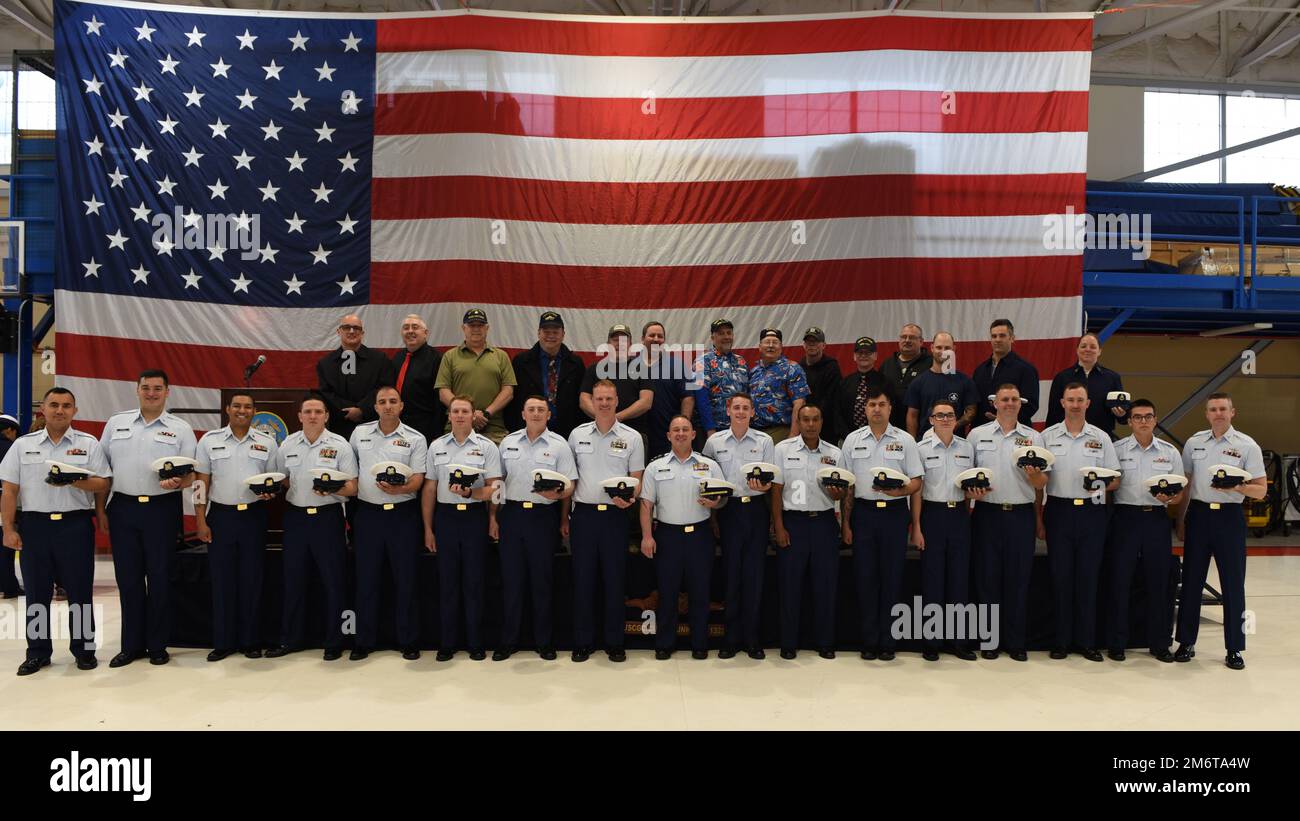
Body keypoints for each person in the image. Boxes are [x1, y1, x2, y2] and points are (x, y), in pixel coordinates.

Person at [0, 388, 111, 675]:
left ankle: (84, 650)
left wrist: (75, 482)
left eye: (66, 405)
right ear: (43, 410)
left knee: (80, 592)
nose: (59, 410)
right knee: (36, 594)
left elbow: (103, 484)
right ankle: (37, 652)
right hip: (35, 526)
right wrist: (8, 528)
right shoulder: (23, 445)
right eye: (54, 405)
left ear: (75, 410)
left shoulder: (89, 444)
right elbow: (10, 490)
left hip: (74, 526)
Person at [97, 369, 197, 668]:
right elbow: (103, 472)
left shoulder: (180, 429)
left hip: (162, 511)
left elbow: (191, 474)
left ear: (168, 392)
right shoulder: (117, 423)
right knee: (127, 581)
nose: (151, 393)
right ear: (137, 390)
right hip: (123, 509)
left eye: (157, 388)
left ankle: (157, 645)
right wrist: (101, 510)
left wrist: (179, 482)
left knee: (159, 578)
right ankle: (130, 645)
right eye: (146, 388)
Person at [1174, 393, 1266, 670]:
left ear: (1232, 412)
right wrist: (1181, 519)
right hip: (1199, 516)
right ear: (1207, 413)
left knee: (1233, 585)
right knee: (1191, 582)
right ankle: (1186, 642)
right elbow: (1186, 485)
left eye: (1223, 409)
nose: (1218, 413)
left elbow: (1260, 490)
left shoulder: (1247, 446)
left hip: (1229, 518)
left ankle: (1235, 648)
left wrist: (1237, 488)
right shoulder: (1194, 443)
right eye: (1213, 409)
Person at [266, 395, 358, 661]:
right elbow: (282, 480)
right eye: (308, 411)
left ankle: (334, 641)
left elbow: (353, 487)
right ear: (300, 416)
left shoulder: (340, 445)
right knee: (293, 580)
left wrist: (333, 488)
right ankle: (290, 639)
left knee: (333, 581)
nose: (313, 416)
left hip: (327, 518)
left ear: (327, 416)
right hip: (295, 519)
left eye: (318, 411)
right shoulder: (287, 444)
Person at [834, 386, 922, 661]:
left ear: (889, 408)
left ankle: (888, 641)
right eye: (872, 404)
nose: (876, 409)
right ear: (866, 408)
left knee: (892, 578)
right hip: (863, 514)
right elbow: (846, 485)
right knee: (866, 578)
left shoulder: (906, 440)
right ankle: (870, 640)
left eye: (881, 404)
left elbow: (917, 481)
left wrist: (902, 491)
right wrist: (846, 523)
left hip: (895, 515)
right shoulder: (852, 440)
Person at [194, 392, 280, 661]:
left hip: (253, 517)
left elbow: (274, 480)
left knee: (252, 580)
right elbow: (200, 483)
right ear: (228, 409)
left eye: (248, 407)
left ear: (254, 411)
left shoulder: (267, 442)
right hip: (220, 517)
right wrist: (200, 519)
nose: (242, 410)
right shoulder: (210, 441)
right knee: (222, 581)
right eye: (237, 406)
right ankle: (223, 641)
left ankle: (251, 641)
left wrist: (271, 492)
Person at [1040, 383, 1120, 662]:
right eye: (1070, 399)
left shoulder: (1102, 437)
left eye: (1080, 400)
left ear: (1088, 403)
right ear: (1062, 402)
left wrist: (1099, 485)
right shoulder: (1047, 437)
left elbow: (1116, 478)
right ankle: (1061, 641)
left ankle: (1087, 642)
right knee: (1060, 578)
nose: (1075, 404)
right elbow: (1040, 480)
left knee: (1088, 578)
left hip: (1093, 512)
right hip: (1059, 512)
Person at [567, 379, 645, 663]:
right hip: (584, 517)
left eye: (608, 399)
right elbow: (570, 479)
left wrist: (630, 498)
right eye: (598, 398)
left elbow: (637, 479)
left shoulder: (632, 437)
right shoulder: (576, 435)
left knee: (614, 580)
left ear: (616, 401)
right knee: (584, 580)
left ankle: (614, 642)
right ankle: (583, 642)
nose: (603, 403)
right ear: (592, 402)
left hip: (616, 516)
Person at [968, 383, 1048, 661]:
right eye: (1005, 399)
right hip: (987, 515)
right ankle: (989, 640)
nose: (1010, 403)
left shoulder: (1034, 438)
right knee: (987, 579)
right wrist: (971, 492)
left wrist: (1035, 477)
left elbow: (1041, 483)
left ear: (1020, 404)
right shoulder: (977, 435)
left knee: (1018, 580)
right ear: (995, 403)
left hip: (1021, 515)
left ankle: (1015, 642)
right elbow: (968, 477)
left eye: (1014, 399)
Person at [494, 396, 577, 661]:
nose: (537, 413)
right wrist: (492, 517)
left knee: (542, 581)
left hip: (544, 517)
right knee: (511, 581)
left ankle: (544, 642)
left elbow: (569, 486)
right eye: (531, 409)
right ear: (523, 413)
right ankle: (509, 641)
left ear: (549, 415)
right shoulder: (508, 442)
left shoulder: (559, 445)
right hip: (512, 516)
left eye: (541, 409)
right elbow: (498, 483)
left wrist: (564, 519)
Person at [349, 386, 427, 661]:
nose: (388, 406)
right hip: (368, 515)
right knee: (367, 579)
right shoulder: (359, 434)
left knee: (405, 579)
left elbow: (419, 478)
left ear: (402, 406)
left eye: (393, 401)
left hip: (403, 515)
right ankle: (364, 641)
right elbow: (350, 472)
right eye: (382, 402)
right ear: (375, 406)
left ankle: (408, 640)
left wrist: (401, 489)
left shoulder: (415, 438)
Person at [422, 395, 502, 662]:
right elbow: (430, 488)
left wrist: (487, 511)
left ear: (473, 415)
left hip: (474, 517)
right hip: (445, 519)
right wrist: (428, 528)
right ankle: (447, 643)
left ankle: (476, 642)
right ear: (449, 416)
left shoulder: (487, 446)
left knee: (474, 581)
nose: (459, 415)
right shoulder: (436, 446)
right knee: (447, 582)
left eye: (464, 411)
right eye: (455, 411)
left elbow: (496, 487)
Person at [640, 415, 726, 660]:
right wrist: (647, 536)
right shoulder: (655, 466)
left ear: (693, 434)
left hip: (700, 534)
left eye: (685, 429)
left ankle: (700, 643)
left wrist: (717, 502)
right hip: (667, 536)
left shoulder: (709, 465)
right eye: (675, 429)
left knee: (700, 591)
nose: (680, 433)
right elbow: (646, 504)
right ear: (668, 435)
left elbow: (723, 499)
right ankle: (665, 643)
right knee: (667, 592)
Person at [1108, 398, 1183, 663]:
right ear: (1129, 421)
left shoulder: (1170, 452)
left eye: (1147, 416)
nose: (1142, 421)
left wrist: (1170, 500)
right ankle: (1117, 643)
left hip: (1156, 520)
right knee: (1120, 582)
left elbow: (1179, 491)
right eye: (1137, 417)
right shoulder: (1116, 449)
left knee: (1158, 583)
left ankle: (1160, 643)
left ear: (1155, 419)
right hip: (1125, 519)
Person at [703, 393, 776, 659]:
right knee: (731, 575)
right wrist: (713, 518)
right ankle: (730, 638)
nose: (741, 412)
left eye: (746, 408)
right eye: (737, 407)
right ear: (728, 410)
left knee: (754, 576)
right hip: (728, 510)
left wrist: (765, 487)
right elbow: (708, 480)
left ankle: (752, 639)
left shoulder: (765, 441)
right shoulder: (714, 442)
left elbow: (771, 481)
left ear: (753, 412)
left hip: (756, 510)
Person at [770, 403, 841, 659]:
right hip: (793, 523)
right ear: (798, 422)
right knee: (790, 586)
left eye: (815, 419)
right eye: (805, 420)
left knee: (825, 586)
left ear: (821, 422)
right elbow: (776, 490)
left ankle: (825, 642)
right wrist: (778, 526)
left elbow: (844, 492)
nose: (810, 424)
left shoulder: (834, 453)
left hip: (823, 522)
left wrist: (839, 494)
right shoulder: (782, 450)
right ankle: (789, 643)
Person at [911, 400, 979, 661]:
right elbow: (916, 491)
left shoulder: (967, 448)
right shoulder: (920, 449)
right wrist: (916, 526)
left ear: (956, 419)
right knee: (933, 582)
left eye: (950, 415)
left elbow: (969, 486)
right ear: (931, 419)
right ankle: (932, 642)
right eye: (940, 415)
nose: (945, 419)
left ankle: (958, 642)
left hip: (959, 516)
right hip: (932, 515)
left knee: (959, 580)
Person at [435, 308, 517, 444]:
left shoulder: (501, 356)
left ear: (487, 328)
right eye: (472, 325)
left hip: (493, 429)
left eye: (480, 325)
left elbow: (508, 391)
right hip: (457, 428)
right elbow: (443, 392)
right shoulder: (450, 356)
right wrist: (468, 414)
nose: (476, 329)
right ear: (463, 328)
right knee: (456, 466)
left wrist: (486, 414)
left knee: (493, 466)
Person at [316, 313, 397, 442]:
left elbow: (384, 389)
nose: (352, 331)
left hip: (374, 425)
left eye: (356, 328)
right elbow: (326, 393)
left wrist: (362, 409)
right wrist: (348, 411)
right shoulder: (325, 363)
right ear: (339, 331)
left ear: (362, 333)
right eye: (346, 327)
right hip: (339, 428)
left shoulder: (380, 360)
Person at [638, 321, 708, 460]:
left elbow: (688, 397)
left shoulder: (676, 365)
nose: (656, 339)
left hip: (668, 435)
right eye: (652, 335)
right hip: (639, 434)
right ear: (642, 339)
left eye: (660, 336)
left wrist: (682, 426)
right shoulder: (632, 365)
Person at [507, 311, 584, 438]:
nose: (551, 336)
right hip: (528, 431)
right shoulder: (521, 362)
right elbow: (514, 401)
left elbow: (580, 400)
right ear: (538, 333)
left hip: (567, 432)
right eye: (546, 332)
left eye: (555, 332)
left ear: (563, 334)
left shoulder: (575, 363)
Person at [1045, 333, 1127, 438]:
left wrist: (1122, 414)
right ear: (1077, 350)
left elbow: (1123, 415)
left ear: (1099, 351)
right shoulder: (1062, 377)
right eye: (1083, 346)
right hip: (1067, 437)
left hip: (1101, 438)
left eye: (1093, 347)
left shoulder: (1112, 378)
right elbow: (1053, 413)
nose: (1087, 349)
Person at [580, 324, 653, 436]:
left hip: (634, 434)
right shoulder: (594, 369)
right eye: (615, 340)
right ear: (608, 344)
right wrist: (602, 418)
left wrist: (617, 418)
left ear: (630, 344)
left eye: (624, 340)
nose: (619, 344)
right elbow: (584, 400)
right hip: (600, 433)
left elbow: (646, 402)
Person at [905, 331, 978, 439]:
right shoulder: (918, 382)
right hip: (925, 444)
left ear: (954, 349)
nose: (943, 352)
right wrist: (913, 444)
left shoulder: (965, 381)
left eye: (947, 348)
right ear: (932, 348)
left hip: (956, 443)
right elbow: (912, 416)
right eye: (939, 347)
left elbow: (971, 411)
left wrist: (953, 426)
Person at [748, 328, 810, 444]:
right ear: (760, 346)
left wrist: (793, 435)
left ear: (781, 347)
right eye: (767, 342)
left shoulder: (791, 368)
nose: (771, 346)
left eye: (775, 342)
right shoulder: (754, 371)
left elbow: (799, 403)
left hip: (780, 431)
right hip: (754, 432)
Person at [390, 314, 445, 445]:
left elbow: (439, 400)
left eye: (415, 327)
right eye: (406, 328)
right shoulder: (397, 357)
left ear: (425, 333)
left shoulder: (436, 359)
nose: (410, 331)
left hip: (425, 428)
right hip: (397, 425)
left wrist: (437, 433)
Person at [972, 319, 1039, 426]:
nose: (997, 340)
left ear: (1012, 338)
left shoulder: (1026, 370)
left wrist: (1004, 421)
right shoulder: (980, 370)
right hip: (983, 434)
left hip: (1015, 433)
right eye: (994, 336)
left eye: (1002, 336)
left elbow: (1031, 405)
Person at [695, 318, 748, 437]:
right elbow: (701, 397)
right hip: (714, 429)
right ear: (712, 338)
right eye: (721, 333)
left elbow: (746, 395)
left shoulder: (741, 361)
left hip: (740, 428)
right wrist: (710, 429)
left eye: (729, 333)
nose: (726, 337)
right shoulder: (702, 361)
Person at [832, 336, 887, 446]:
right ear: (854, 356)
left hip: (878, 440)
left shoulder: (885, 383)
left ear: (875, 356)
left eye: (868, 353)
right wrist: (848, 437)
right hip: (847, 439)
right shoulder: (845, 383)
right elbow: (837, 413)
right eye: (860, 352)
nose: (863, 356)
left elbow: (890, 413)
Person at [880, 323, 932, 429]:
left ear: (921, 342)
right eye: (904, 337)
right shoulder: (887, 364)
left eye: (912, 337)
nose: (907, 340)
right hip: (890, 429)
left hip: (921, 428)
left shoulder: (931, 364)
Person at [797, 327, 842, 442]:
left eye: (816, 342)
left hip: (826, 427)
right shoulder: (798, 368)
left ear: (823, 345)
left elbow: (831, 400)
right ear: (804, 345)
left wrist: (813, 419)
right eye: (809, 342)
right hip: (802, 425)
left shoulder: (832, 367)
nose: (812, 345)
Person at [0, 413, 24, 599]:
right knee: (4, 550)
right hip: (4, 504)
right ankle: (9, 586)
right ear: (9, 430)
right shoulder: (12, 449)